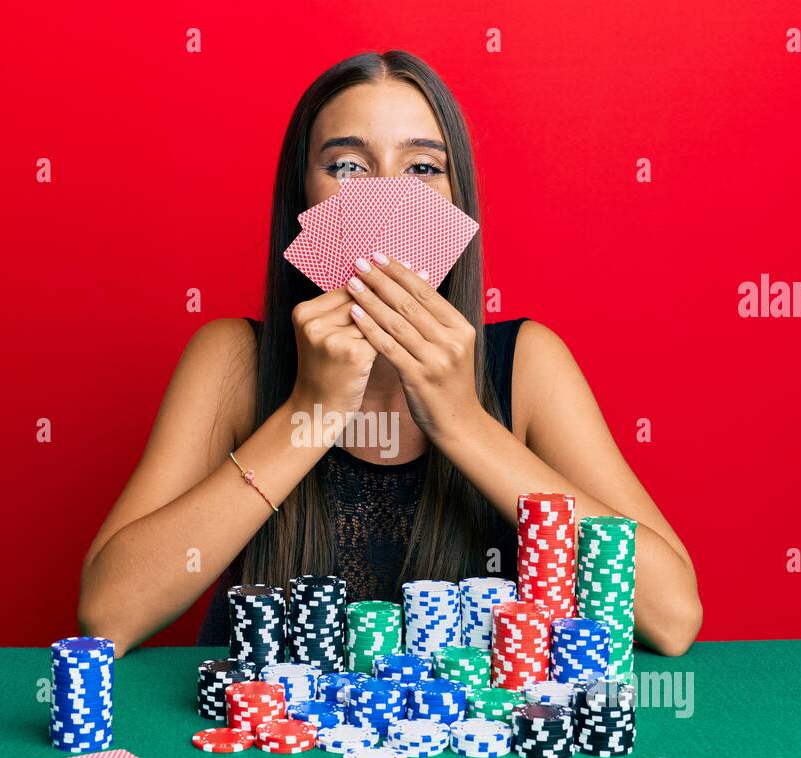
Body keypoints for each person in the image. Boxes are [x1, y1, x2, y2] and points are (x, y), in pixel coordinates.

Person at [79, 50, 702, 659]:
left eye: (423, 169)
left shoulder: (527, 363)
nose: (385, 200)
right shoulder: (231, 359)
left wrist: (463, 423)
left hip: (463, 743)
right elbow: (109, 613)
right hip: (275, 740)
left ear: (457, 203)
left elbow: (671, 619)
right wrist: (311, 414)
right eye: (348, 167)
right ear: (302, 199)